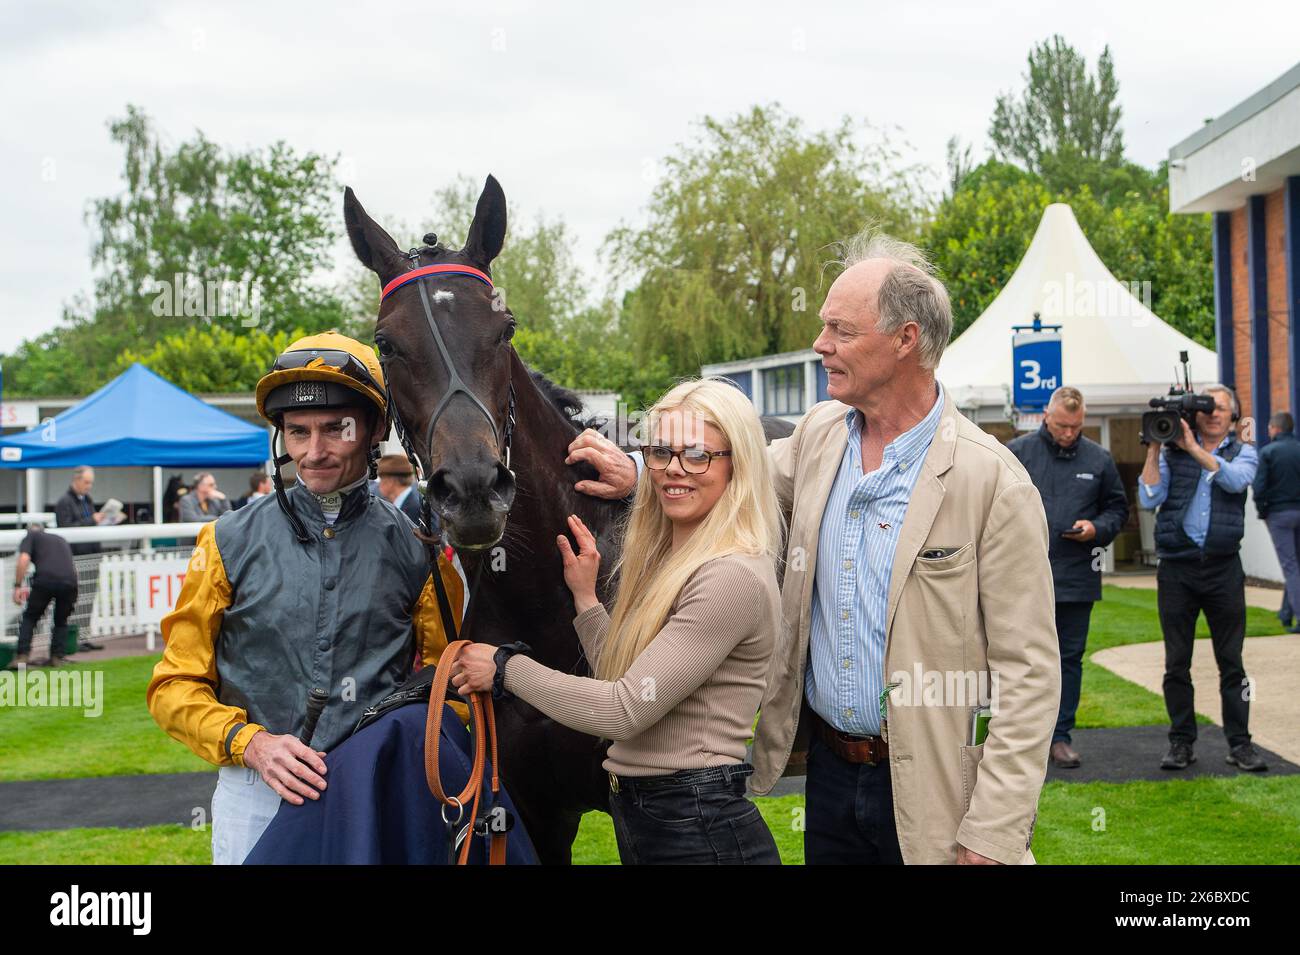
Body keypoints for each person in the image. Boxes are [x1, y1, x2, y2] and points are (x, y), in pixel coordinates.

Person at [568, 231, 1060, 864]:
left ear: (905, 340)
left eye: (839, 330)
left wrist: (992, 833)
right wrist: (643, 473)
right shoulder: (821, 434)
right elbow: (734, 476)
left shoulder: (993, 481)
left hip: (937, 789)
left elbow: (1030, 678)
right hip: (829, 775)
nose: (820, 345)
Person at [147, 331, 464, 864]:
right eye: (297, 432)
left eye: (335, 430)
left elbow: (448, 687)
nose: (313, 453)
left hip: (368, 792)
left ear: (374, 430)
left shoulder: (422, 551)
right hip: (254, 792)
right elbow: (173, 686)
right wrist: (251, 744)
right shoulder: (223, 540)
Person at [451, 379, 784, 865]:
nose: (674, 470)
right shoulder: (680, 560)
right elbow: (626, 677)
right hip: (658, 820)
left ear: (739, 465)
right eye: (661, 451)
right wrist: (587, 601)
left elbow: (623, 711)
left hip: (698, 830)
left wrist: (504, 668)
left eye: (697, 454)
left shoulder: (729, 575)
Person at [1138, 384, 1266, 772]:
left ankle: (1240, 744)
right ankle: (1181, 743)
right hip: (1177, 568)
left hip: (1223, 567)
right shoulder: (1170, 452)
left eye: (1221, 408)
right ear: (1195, 414)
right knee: (1177, 662)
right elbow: (1148, 498)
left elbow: (1235, 481)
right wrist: (1156, 446)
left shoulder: (1243, 451)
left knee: (1232, 661)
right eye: (1206, 407)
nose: (1212, 413)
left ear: (1233, 416)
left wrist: (1194, 449)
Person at [1008, 386, 1128, 769]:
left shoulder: (1099, 458)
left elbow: (1118, 508)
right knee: (1018, 658)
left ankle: (1060, 737)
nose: (1068, 433)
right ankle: (1020, 736)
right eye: (1062, 425)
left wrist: (1096, 528)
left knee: (1068, 659)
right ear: (1047, 415)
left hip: (1077, 577)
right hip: (1023, 577)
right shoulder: (1018, 453)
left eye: (1076, 427)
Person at [1253, 411, 1300, 633]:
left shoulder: (1268, 452)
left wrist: (1263, 511)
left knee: (1291, 566)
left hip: (1279, 514)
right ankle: (1285, 613)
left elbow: (1259, 488)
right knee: (1295, 565)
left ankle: (1298, 616)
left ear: (1275, 428)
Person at [8, 525, 78, 669]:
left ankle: (22, 657)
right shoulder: (60, 539)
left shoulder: (31, 536)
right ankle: (57, 657)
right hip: (70, 581)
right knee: (61, 620)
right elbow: (71, 565)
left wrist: (17, 586)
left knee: (30, 617)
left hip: (45, 580)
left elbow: (24, 558)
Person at [54, 465, 103, 556]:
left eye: (91, 483)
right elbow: (66, 528)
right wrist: (92, 520)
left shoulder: (87, 499)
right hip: (75, 555)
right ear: (76, 480)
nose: (89, 486)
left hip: (92, 552)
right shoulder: (64, 502)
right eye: (86, 482)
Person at [375, 454, 426, 527]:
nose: (379, 484)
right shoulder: (409, 503)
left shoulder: (414, 507)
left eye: (381, 479)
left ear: (390, 482)